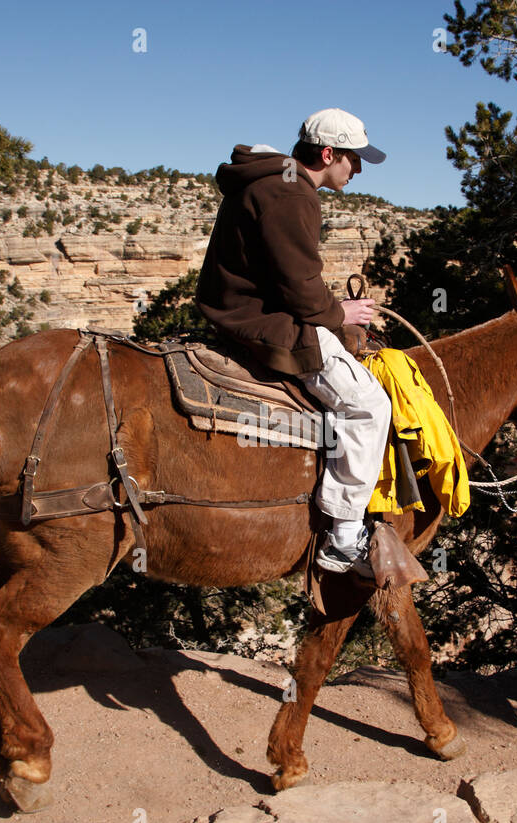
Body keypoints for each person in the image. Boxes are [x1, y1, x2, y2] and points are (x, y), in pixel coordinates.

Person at [195, 108, 391, 576]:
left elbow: (290, 276)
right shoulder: (291, 193)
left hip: (237, 308)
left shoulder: (270, 180)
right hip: (261, 322)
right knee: (368, 405)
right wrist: (339, 312)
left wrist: (331, 309)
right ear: (328, 154)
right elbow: (301, 289)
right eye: (353, 159)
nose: (357, 169)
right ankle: (344, 536)